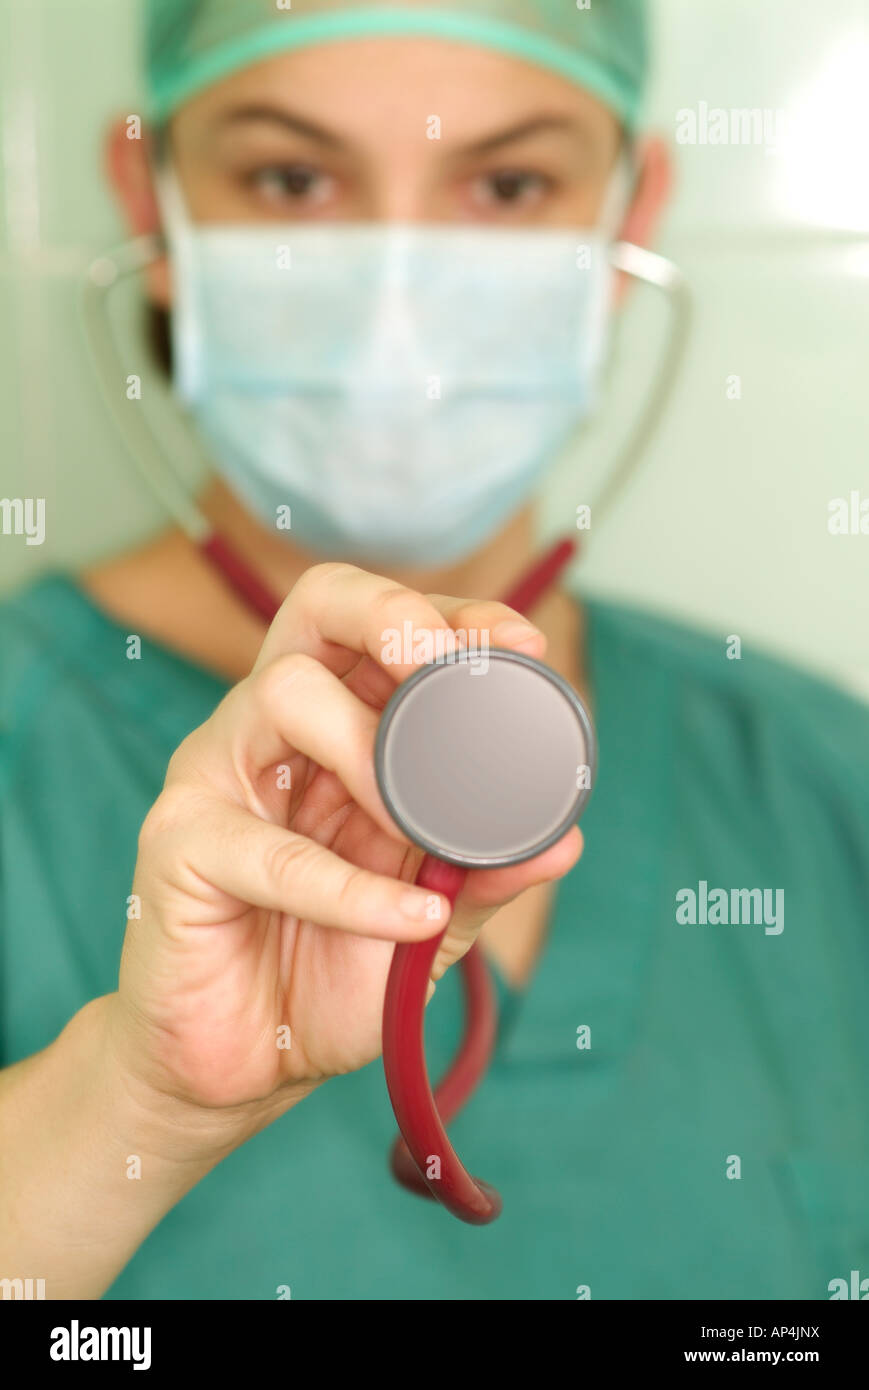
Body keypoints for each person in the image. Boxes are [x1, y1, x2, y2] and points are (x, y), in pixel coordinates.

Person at [1, 0, 867, 1302]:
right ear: (153, 200)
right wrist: (126, 1105)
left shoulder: (818, 780)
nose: (396, 283)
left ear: (626, 216)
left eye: (508, 182)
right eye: (291, 178)